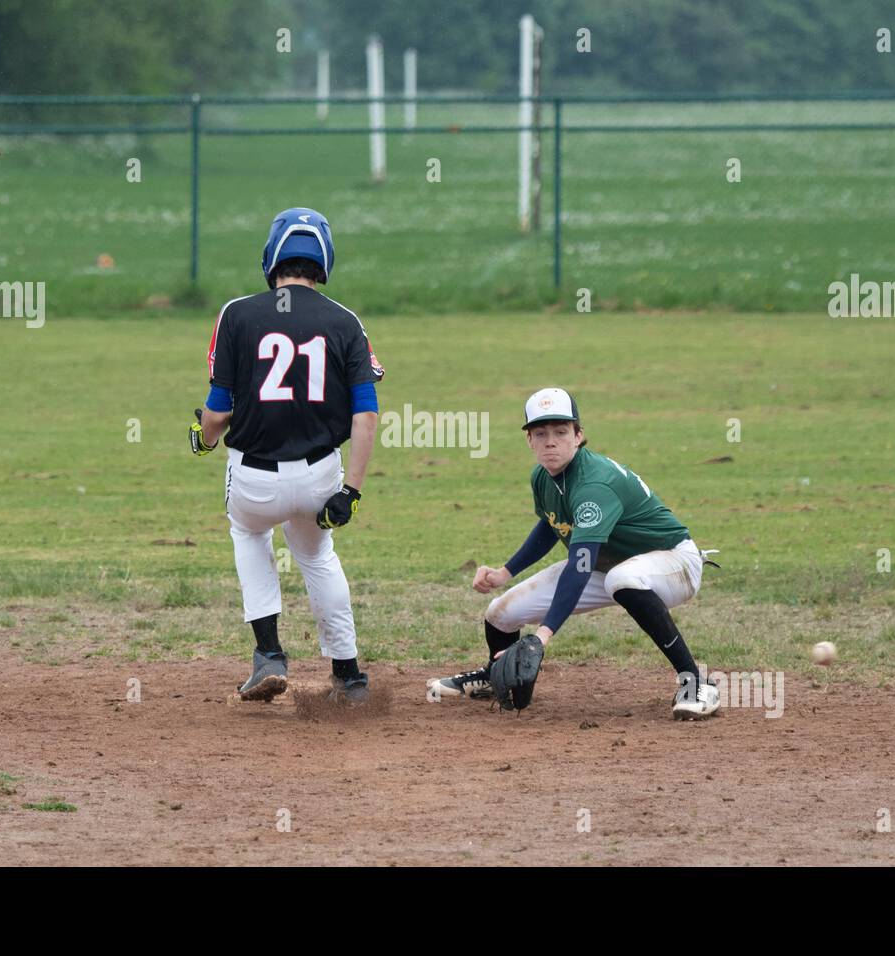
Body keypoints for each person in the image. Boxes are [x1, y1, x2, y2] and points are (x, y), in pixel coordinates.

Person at [426, 387, 720, 718]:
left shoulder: (594, 484)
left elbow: (579, 566)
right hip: (606, 568)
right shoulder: (542, 476)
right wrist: (504, 573)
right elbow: (551, 525)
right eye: (541, 433)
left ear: (578, 436)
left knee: (622, 578)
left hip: (673, 563)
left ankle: (695, 681)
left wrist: (542, 637)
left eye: (561, 431)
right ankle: (496, 678)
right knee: (500, 612)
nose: (551, 441)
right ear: (529, 440)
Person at [190, 207, 384, 703]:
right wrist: (351, 492)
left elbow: (217, 410)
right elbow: (365, 417)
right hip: (321, 475)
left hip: (254, 477)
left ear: (272, 258)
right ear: (324, 260)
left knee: (249, 534)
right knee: (318, 557)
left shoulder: (238, 314)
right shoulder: (345, 322)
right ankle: (349, 675)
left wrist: (204, 438)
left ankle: (270, 655)